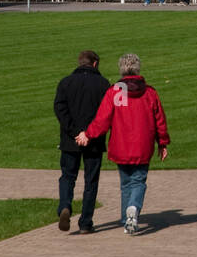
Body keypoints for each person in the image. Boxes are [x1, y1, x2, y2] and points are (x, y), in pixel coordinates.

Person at [76, 53, 169, 236]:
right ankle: (132, 209)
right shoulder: (149, 92)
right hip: (143, 144)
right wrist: (162, 142)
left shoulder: (115, 91)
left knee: (126, 182)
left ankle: (126, 218)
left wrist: (88, 134)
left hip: (121, 143)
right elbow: (160, 120)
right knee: (139, 181)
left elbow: (102, 119)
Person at [53, 50, 110, 234]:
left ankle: (65, 205)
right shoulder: (103, 84)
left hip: (71, 140)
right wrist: (88, 133)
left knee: (68, 176)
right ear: (95, 64)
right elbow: (105, 113)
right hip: (94, 141)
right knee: (90, 181)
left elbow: (60, 109)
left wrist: (75, 132)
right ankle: (86, 222)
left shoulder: (66, 82)